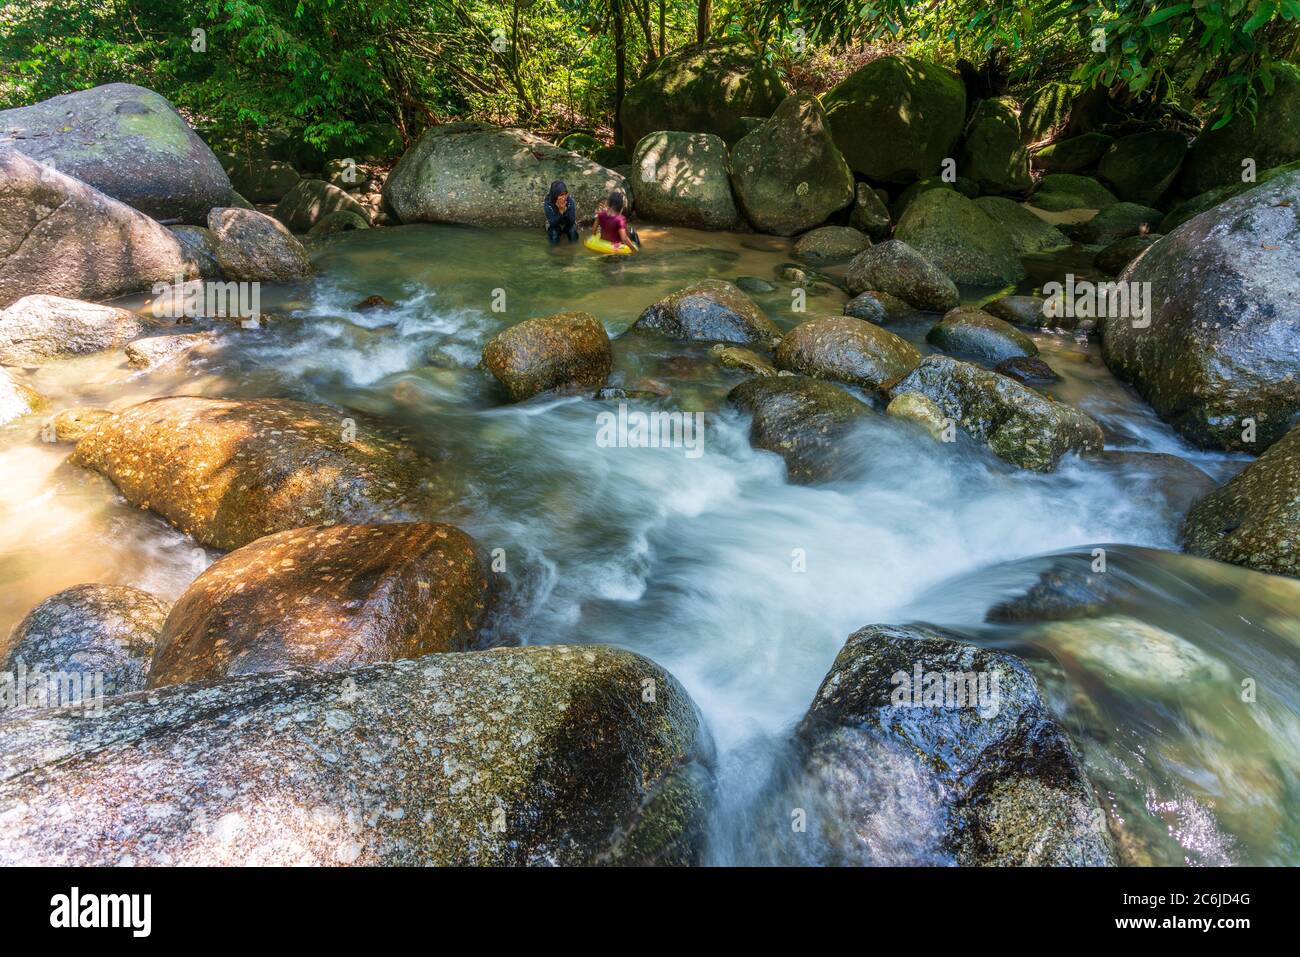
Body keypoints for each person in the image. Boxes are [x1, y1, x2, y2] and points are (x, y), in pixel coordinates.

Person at [544, 180, 579, 244]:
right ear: (555, 195)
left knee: (572, 231)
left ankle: (573, 250)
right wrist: (560, 211)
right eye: (561, 195)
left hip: (568, 222)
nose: (564, 197)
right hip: (553, 223)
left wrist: (565, 211)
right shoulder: (548, 203)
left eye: (565, 194)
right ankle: (555, 251)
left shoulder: (569, 201)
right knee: (554, 233)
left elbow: (572, 221)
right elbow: (552, 224)